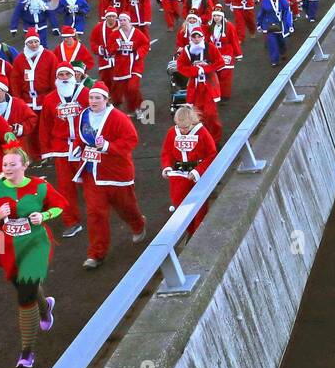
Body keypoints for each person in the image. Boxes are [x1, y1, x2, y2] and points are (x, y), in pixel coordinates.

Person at [0, 143, 66, 368]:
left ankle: (27, 352)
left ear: (25, 165)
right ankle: (45, 308)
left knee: (25, 295)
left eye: (12, 164)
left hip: (36, 244)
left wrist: (43, 215)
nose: (7, 168)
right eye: (5, 164)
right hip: (6, 247)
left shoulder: (39, 186)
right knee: (24, 286)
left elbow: (60, 206)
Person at [76, 83, 146, 270]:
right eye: (91, 98)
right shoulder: (83, 116)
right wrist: (77, 150)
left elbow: (131, 139)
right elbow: (79, 138)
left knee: (126, 207)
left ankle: (138, 223)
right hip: (92, 174)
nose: (93, 101)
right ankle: (96, 254)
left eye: (98, 98)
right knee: (95, 213)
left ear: (106, 100)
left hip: (117, 173)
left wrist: (107, 146)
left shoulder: (118, 117)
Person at [38, 63, 88, 239]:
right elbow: (44, 126)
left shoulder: (85, 94)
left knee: (90, 183)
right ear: (57, 78)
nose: (65, 77)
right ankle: (71, 221)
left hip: (83, 146)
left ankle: (98, 212)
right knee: (65, 187)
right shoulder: (50, 99)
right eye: (61, 75)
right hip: (61, 149)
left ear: (73, 76)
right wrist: (46, 151)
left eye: (68, 73)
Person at [161, 106, 217, 237]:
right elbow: (166, 153)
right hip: (179, 175)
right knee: (180, 207)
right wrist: (167, 167)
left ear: (193, 122)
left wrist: (198, 171)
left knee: (199, 207)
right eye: (179, 127)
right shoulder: (172, 132)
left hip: (197, 175)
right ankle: (190, 232)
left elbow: (212, 154)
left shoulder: (202, 132)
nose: (182, 130)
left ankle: (198, 236)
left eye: (185, 127)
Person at [173, 29, 223, 140]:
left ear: (203, 37)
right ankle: (202, 138)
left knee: (211, 115)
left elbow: (220, 62)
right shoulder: (187, 50)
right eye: (194, 37)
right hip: (194, 87)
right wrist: (195, 71)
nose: (196, 39)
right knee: (196, 115)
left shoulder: (210, 48)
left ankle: (215, 139)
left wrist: (206, 69)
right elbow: (180, 66)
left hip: (209, 85)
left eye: (198, 37)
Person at [106, 13, 149, 117]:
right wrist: (117, 45)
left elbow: (145, 44)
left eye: (124, 20)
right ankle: (132, 108)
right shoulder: (115, 34)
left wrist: (138, 53)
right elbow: (109, 50)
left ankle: (139, 108)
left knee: (132, 87)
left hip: (135, 63)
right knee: (125, 89)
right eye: (120, 20)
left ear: (129, 21)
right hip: (121, 64)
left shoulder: (137, 33)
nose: (122, 22)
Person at [257, 0, 294, 67]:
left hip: (281, 25)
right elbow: (262, 13)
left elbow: (287, 12)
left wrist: (289, 24)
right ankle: (274, 60)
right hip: (270, 25)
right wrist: (259, 24)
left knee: (282, 41)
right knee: (272, 43)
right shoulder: (265, 0)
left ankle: (283, 52)